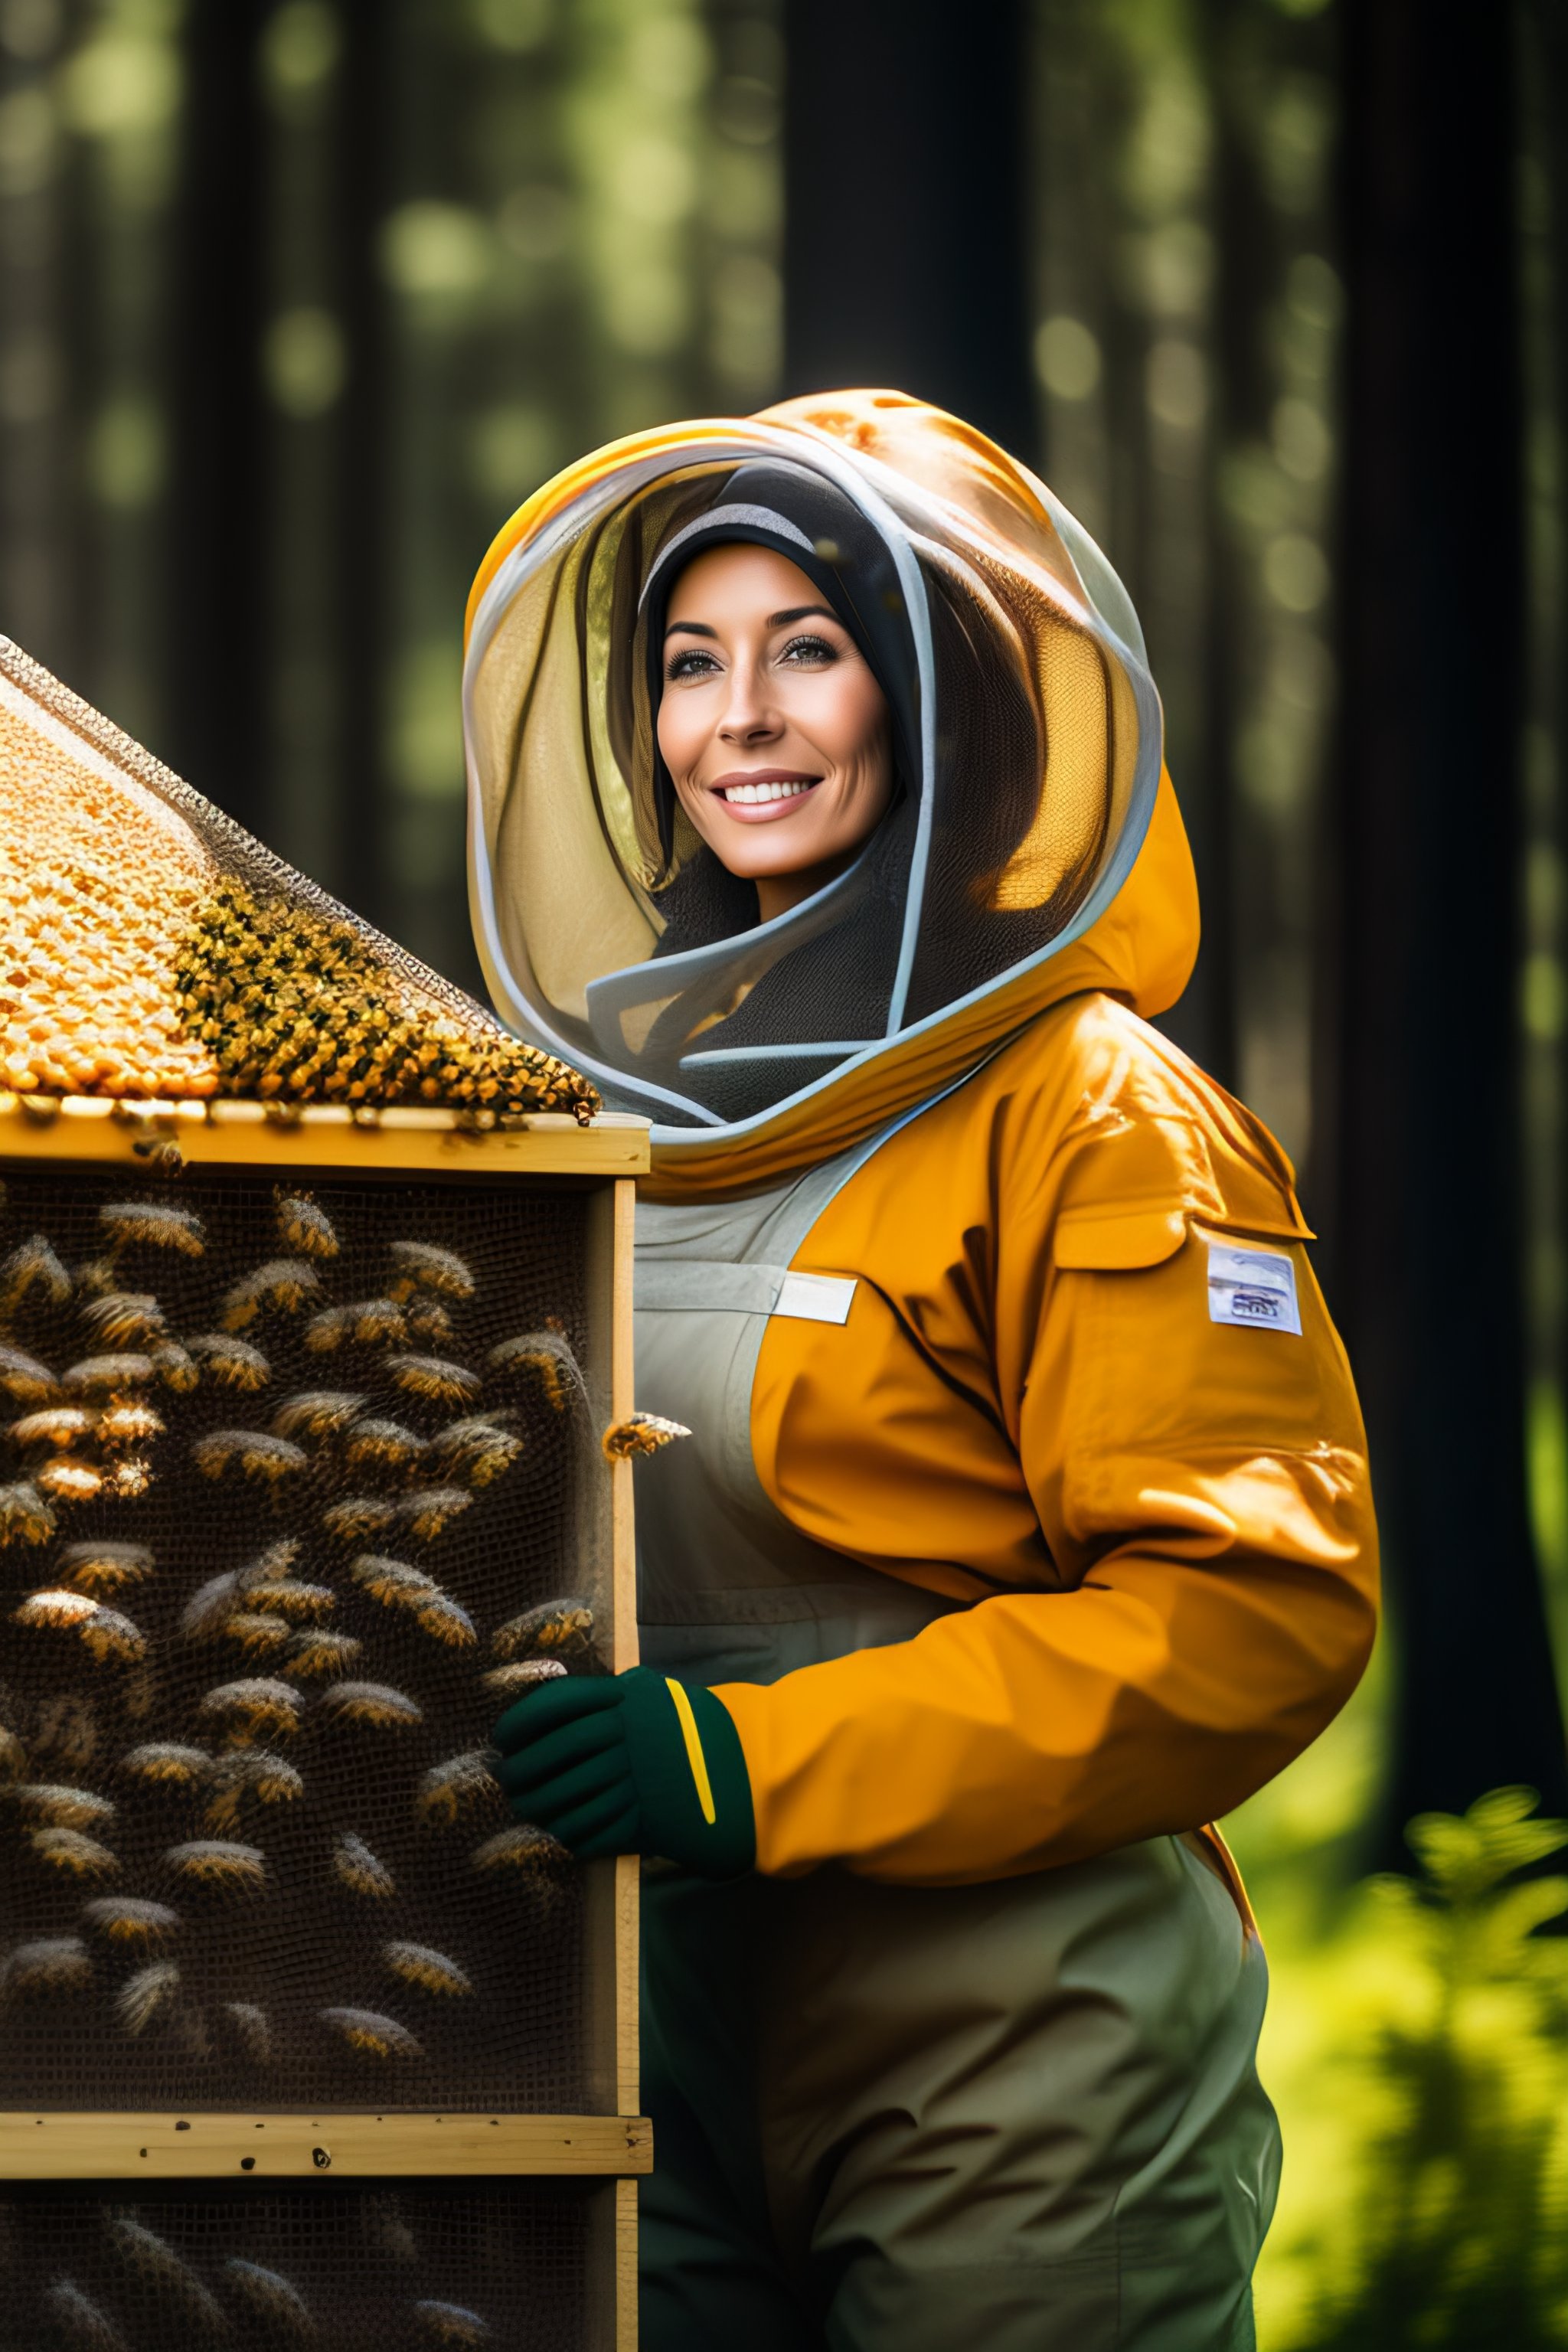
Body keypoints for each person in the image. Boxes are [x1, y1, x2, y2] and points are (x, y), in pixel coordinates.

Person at [462, 390, 1378, 2351]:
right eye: (692, 665)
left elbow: (1248, 1612)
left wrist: (745, 1758)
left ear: (942, 698)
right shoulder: (634, 1109)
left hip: (1015, 2052)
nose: (744, 719)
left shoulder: (1098, 1111)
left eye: (812, 649)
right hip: (657, 2029)